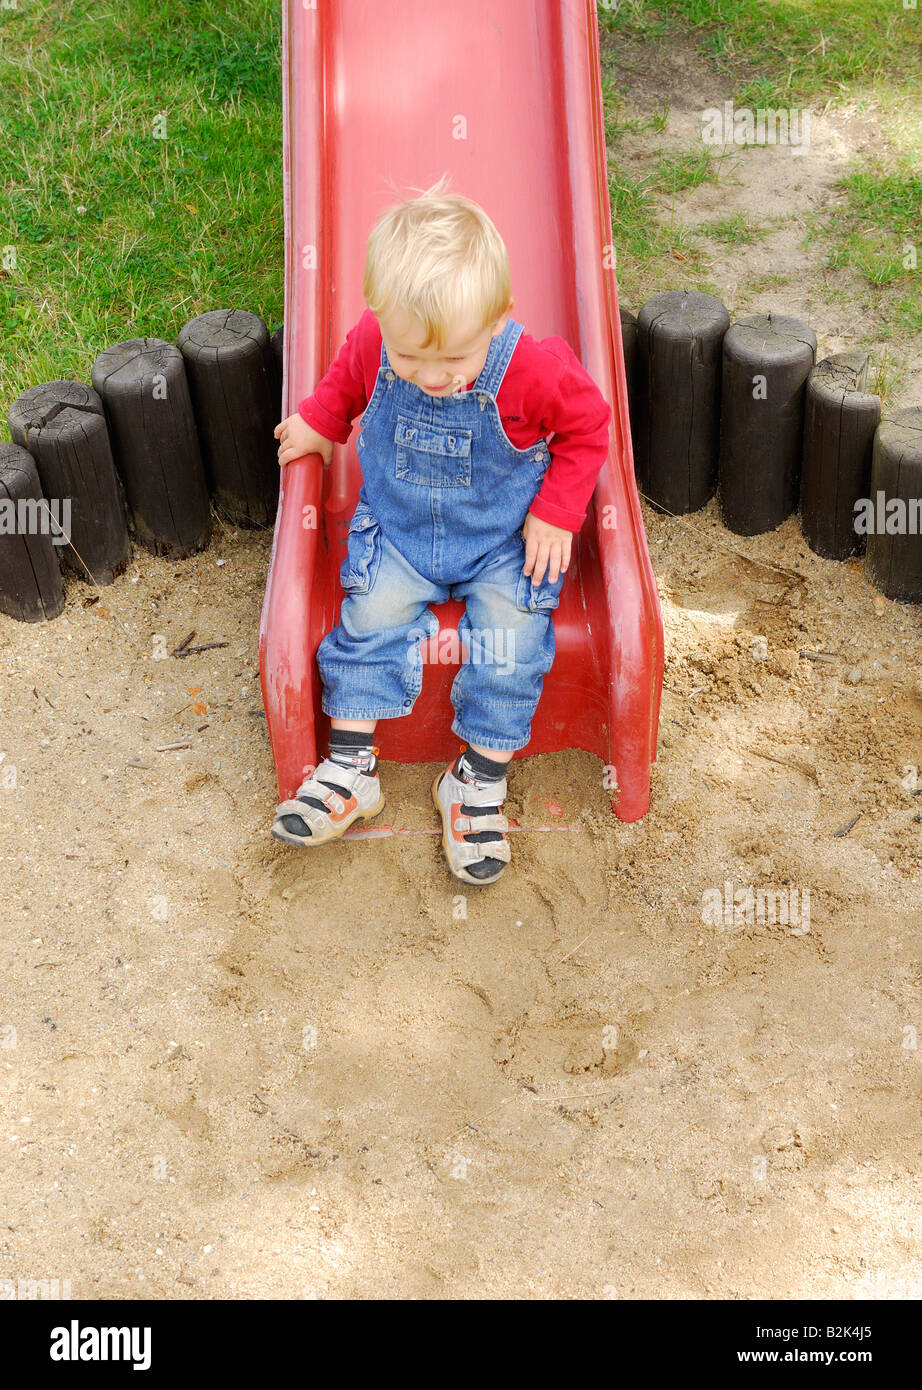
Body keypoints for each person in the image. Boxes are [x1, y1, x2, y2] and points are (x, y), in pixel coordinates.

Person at [271, 177, 610, 885]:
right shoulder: (376, 340)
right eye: (410, 358)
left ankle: (477, 780)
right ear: (381, 321)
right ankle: (350, 770)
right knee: (368, 617)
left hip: (499, 542)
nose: (429, 375)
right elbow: (344, 387)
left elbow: (589, 427)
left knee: (514, 636)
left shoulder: (532, 369)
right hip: (399, 531)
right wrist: (316, 424)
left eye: (452, 362)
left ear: (497, 318)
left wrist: (556, 511)